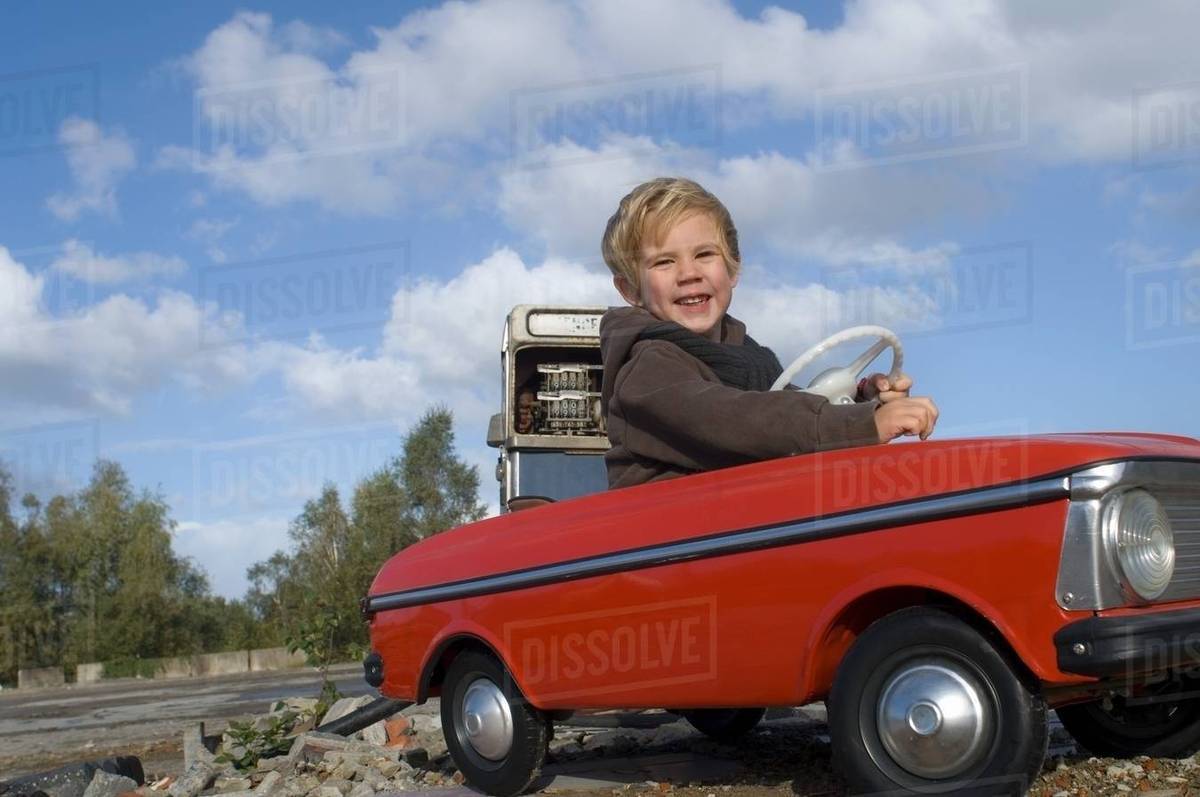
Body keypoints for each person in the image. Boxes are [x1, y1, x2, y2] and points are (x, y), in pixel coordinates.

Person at [599, 177, 939, 489]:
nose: (689, 273)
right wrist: (861, 424)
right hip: (674, 533)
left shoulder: (752, 360)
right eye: (664, 262)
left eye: (704, 254)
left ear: (733, 268)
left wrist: (863, 400)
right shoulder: (647, 369)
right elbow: (736, 422)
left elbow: (797, 407)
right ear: (630, 289)